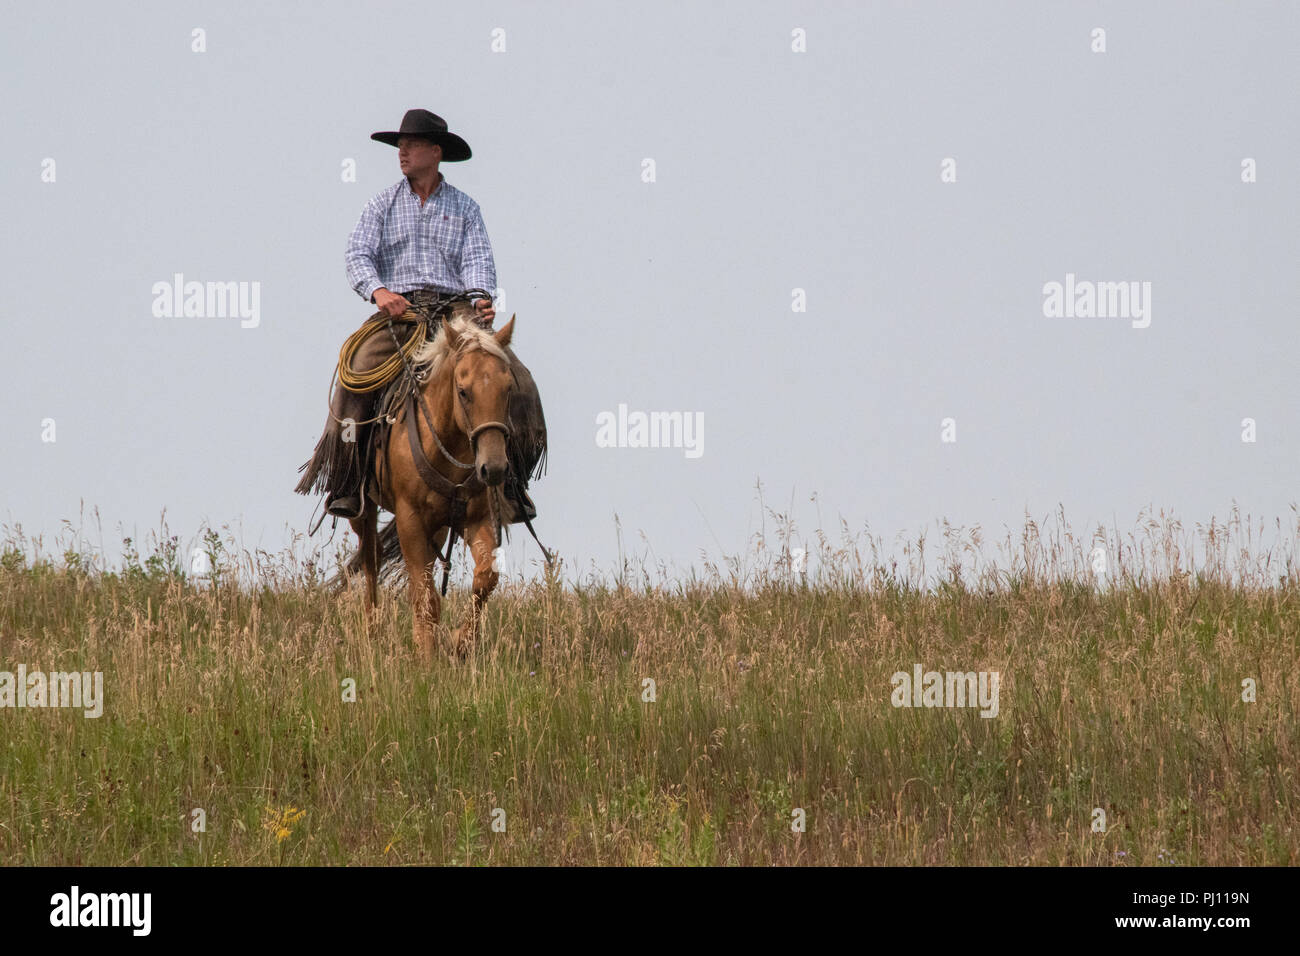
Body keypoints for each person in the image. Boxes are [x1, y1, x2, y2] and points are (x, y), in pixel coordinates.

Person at [295, 109, 542, 524]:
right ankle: (348, 481)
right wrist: (379, 291)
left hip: (455, 311)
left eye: (411, 145)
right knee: (354, 372)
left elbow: (478, 260)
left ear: (435, 152)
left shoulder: (466, 208)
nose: (402, 152)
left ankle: (512, 483)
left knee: (517, 379)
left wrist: (481, 299)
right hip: (400, 313)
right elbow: (358, 254)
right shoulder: (381, 204)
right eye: (400, 146)